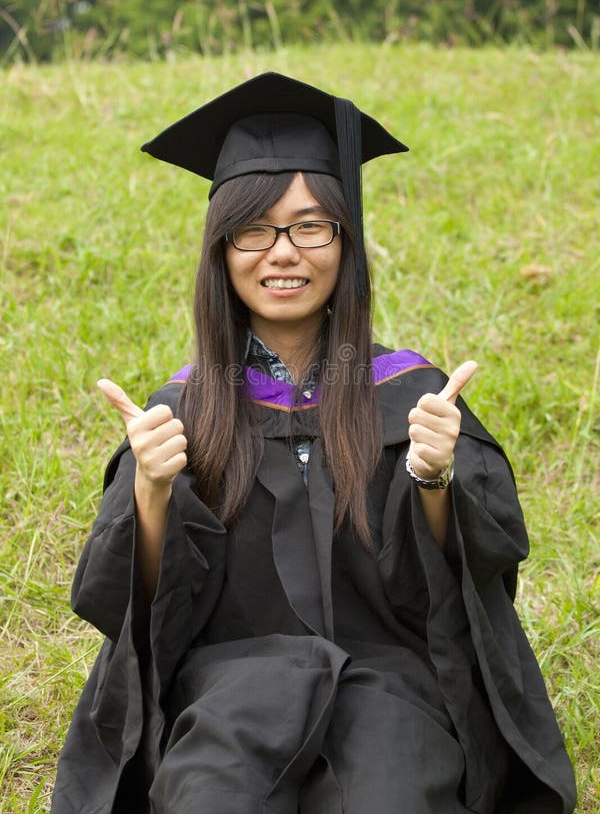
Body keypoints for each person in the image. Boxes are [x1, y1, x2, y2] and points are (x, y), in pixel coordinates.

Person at [51, 72, 576, 814]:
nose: (282, 253)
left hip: (393, 685)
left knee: (393, 796)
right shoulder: (184, 410)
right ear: (223, 252)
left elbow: (467, 586)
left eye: (309, 225)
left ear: (344, 237)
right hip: (227, 690)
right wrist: (151, 491)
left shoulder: (409, 395)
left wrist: (432, 478)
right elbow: (133, 608)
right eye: (253, 229)